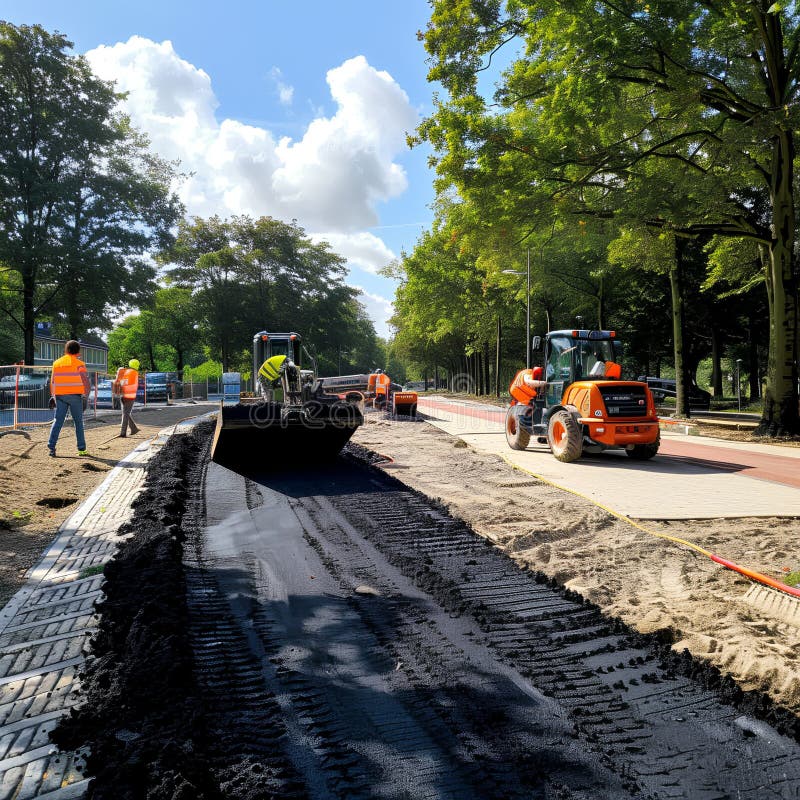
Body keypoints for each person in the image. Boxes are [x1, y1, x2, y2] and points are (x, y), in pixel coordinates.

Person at [47, 340, 91, 457]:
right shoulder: (79, 364)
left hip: (60, 396)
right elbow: (85, 380)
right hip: (75, 397)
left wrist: (53, 396)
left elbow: (52, 381)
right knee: (78, 422)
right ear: (77, 350)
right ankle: (81, 449)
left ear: (66, 349)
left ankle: (51, 447)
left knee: (58, 421)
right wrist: (86, 395)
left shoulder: (56, 363)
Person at [115, 359, 141, 438]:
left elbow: (121, 382)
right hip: (130, 396)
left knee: (125, 413)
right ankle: (123, 433)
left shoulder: (126, 372)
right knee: (126, 414)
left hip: (123, 395)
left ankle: (134, 429)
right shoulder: (135, 373)